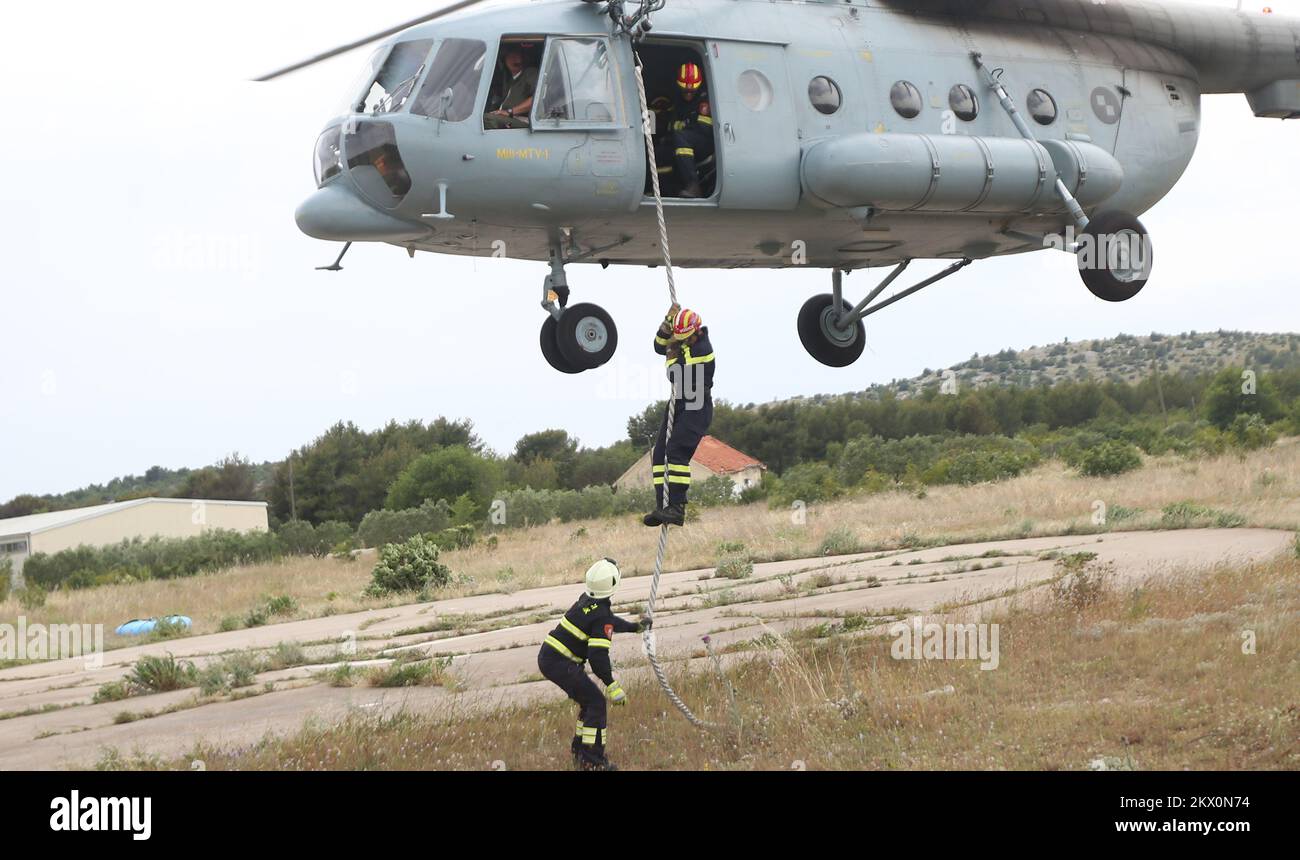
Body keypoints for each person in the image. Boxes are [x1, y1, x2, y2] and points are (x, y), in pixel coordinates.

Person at [537, 559, 650, 771]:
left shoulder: (587, 600)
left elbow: (610, 622)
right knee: (597, 703)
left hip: (551, 658)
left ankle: (581, 754)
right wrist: (612, 685)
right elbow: (597, 656)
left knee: (589, 703)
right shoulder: (601, 615)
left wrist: (635, 627)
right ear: (614, 583)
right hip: (561, 663)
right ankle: (593, 762)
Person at [645, 305, 716, 528]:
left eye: (686, 338)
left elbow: (674, 374)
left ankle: (677, 507)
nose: (684, 341)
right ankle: (663, 505)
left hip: (696, 402)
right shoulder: (686, 339)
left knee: (676, 450)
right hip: (679, 401)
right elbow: (658, 345)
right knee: (660, 454)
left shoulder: (702, 349)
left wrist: (671, 347)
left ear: (698, 332)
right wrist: (668, 322)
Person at [668, 62, 714, 198]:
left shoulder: (704, 99)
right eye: (685, 90)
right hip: (686, 141)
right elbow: (672, 125)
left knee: (681, 138)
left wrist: (684, 126)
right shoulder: (677, 101)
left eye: (692, 91)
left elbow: (705, 128)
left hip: (705, 142)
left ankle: (693, 185)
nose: (688, 93)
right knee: (662, 149)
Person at [484, 45, 538, 129]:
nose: (516, 60)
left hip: (523, 120)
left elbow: (537, 99)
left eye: (518, 56)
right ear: (504, 59)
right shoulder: (508, 80)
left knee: (487, 119)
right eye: (511, 56)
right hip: (507, 118)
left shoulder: (530, 73)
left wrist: (510, 112)